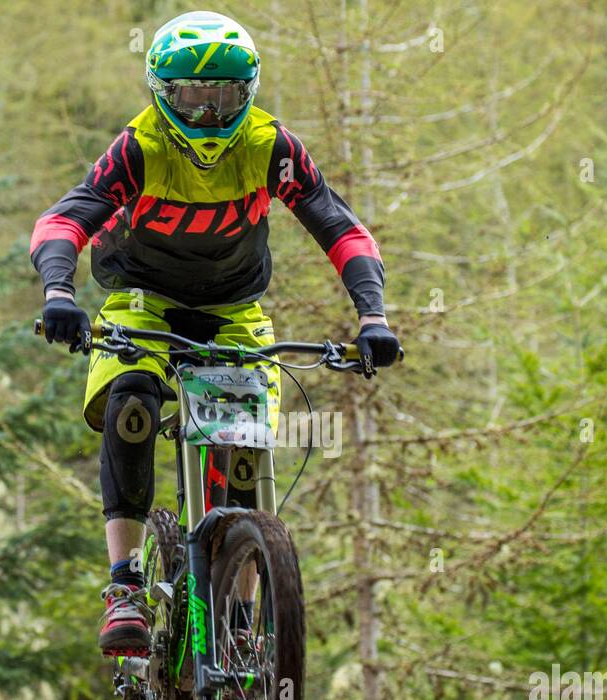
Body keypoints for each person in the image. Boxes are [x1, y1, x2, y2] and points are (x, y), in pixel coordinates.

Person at [30, 10, 400, 653]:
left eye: (223, 97)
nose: (207, 115)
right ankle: (125, 586)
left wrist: (373, 315)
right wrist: (59, 292)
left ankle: (236, 620)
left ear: (247, 92)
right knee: (132, 406)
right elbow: (62, 223)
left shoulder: (270, 146)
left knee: (244, 442)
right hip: (143, 302)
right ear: (161, 92)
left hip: (233, 307)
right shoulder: (139, 148)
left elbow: (342, 230)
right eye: (192, 98)